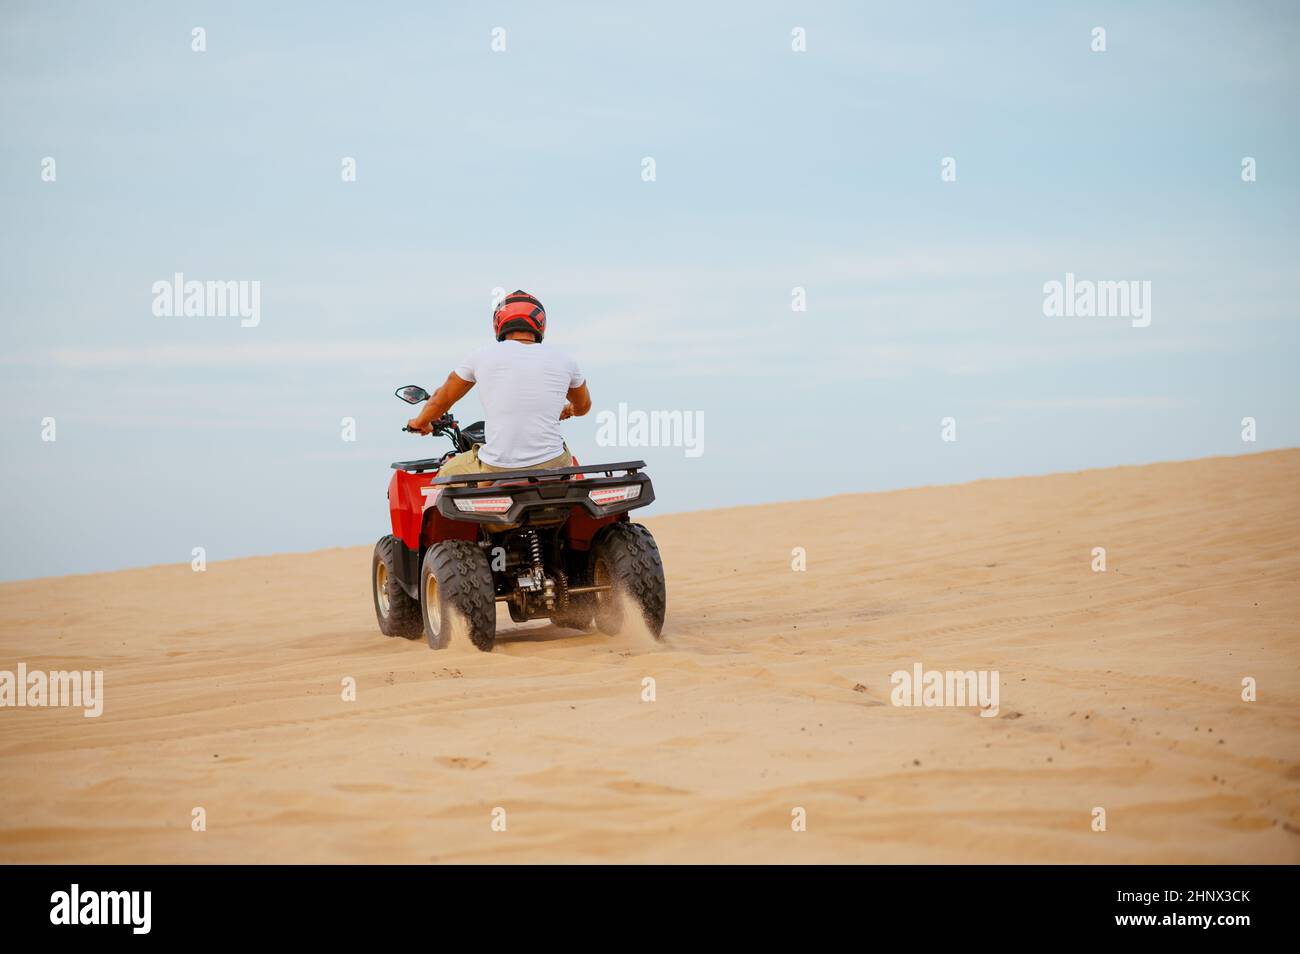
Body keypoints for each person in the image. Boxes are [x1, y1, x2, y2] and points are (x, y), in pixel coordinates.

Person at [406, 290, 591, 477]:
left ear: (498, 323)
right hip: (553, 462)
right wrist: (568, 409)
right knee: (566, 459)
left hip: (499, 466)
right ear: (541, 324)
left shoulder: (482, 355)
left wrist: (420, 422)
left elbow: (441, 399)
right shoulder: (564, 360)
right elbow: (583, 406)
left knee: (445, 477)